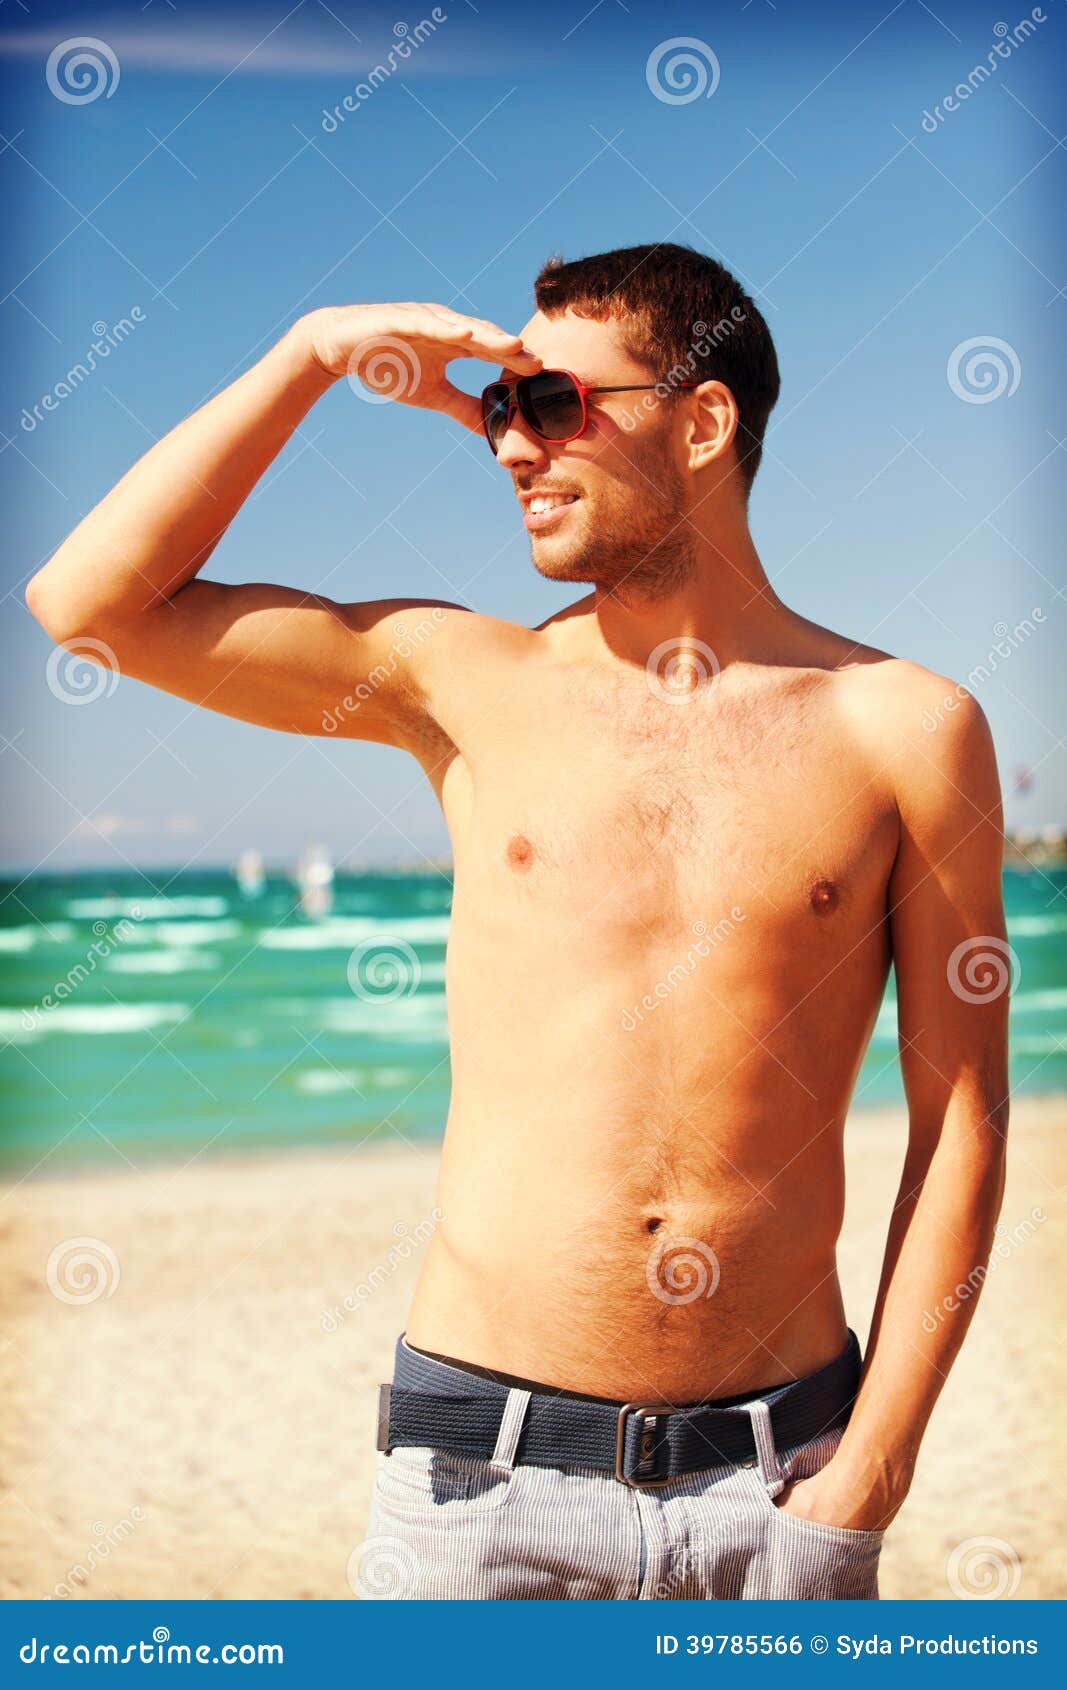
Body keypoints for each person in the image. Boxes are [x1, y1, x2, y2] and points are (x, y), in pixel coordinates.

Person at [26, 242, 1009, 1600]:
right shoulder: (461, 680)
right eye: (500, 410)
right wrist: (311, 349)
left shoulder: (908, 726)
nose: (508, 448)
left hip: (784, 1482)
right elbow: (88, 607)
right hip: (479, 1495)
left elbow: (962, 1118)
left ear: (705, 421)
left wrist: (866, 1479)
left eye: (552, 406)